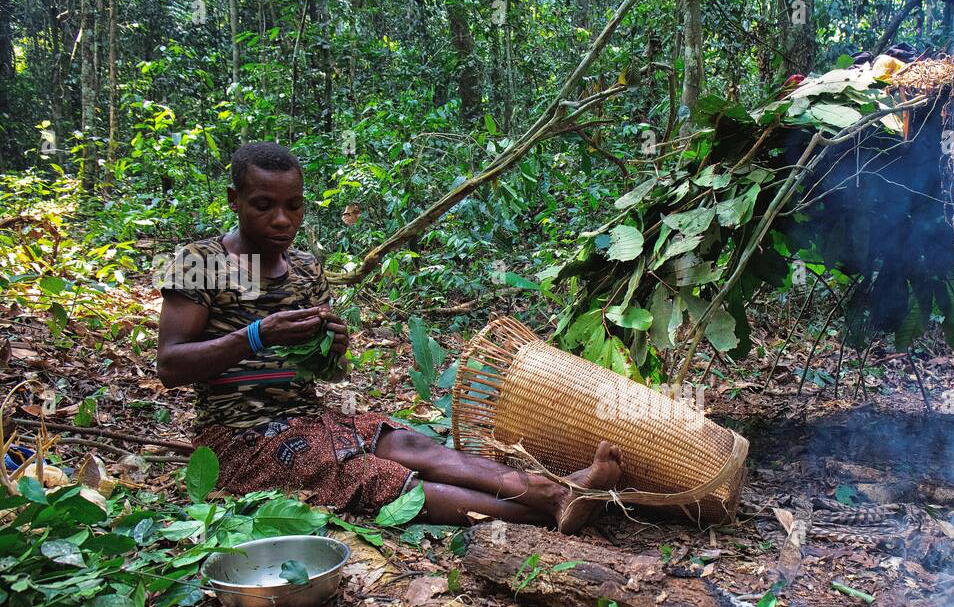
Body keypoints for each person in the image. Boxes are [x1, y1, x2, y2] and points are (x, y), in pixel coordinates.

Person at [156, 141, 621, 533]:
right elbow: (171, 365)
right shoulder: (199, 262)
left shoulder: (304, 268)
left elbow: (328, 373)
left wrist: (332, 349)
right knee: (378, 477)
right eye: (264, 206)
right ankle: (549, 507)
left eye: (293, 206)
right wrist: (256, 335)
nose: (281, 220)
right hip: (239, 438)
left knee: (416, 446)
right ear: (235, 200)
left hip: (310, 417)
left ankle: (554, 492)